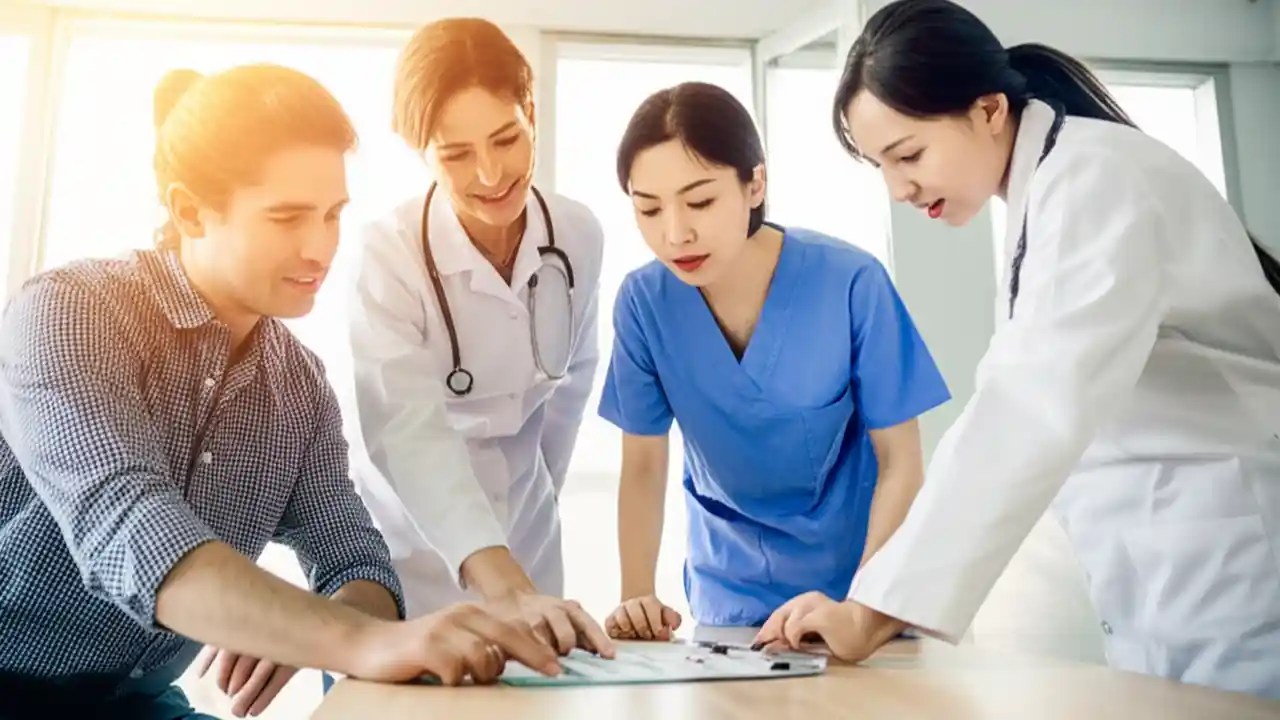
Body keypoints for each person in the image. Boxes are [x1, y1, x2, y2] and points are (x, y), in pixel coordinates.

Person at [0, 64, 562, 718]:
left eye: (332, 215)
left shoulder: (298, 387)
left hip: (133, 702)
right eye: (288, 218)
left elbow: (358, 562)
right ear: (189, 211)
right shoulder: (71, 312)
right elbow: (128, 526)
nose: (320, 247)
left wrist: (326, 621)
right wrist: (348, 638)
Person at [756, 0, 1280, 700]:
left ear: (989, 111)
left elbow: (1028, 409)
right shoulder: (1054, 189)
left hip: (1238, 558)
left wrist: (872, 611)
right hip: (1176, 560)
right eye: (882, 165)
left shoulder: (1096, 181)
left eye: (909, 154)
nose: (899, 187)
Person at [599, 81, 950, 639]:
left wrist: (866, 605)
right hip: (730, 595)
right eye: (649, 209)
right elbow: (643, 463)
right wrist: (635, 595)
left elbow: (902, 462)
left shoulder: (851, 283)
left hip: (862, 587)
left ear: (755, 183)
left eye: (700, 201)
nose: (675, 233)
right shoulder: (645, 302)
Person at [347, 18, 611, 655]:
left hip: (528, 535)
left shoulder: (576, 233)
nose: (492, 174)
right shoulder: (390, 252)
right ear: (420, 153)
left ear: (531, 116)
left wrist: (536, 490)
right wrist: (499, 578)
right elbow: (406, 429)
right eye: (456, 154)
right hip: (409, 545)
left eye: (506, 139)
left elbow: (571, 386)